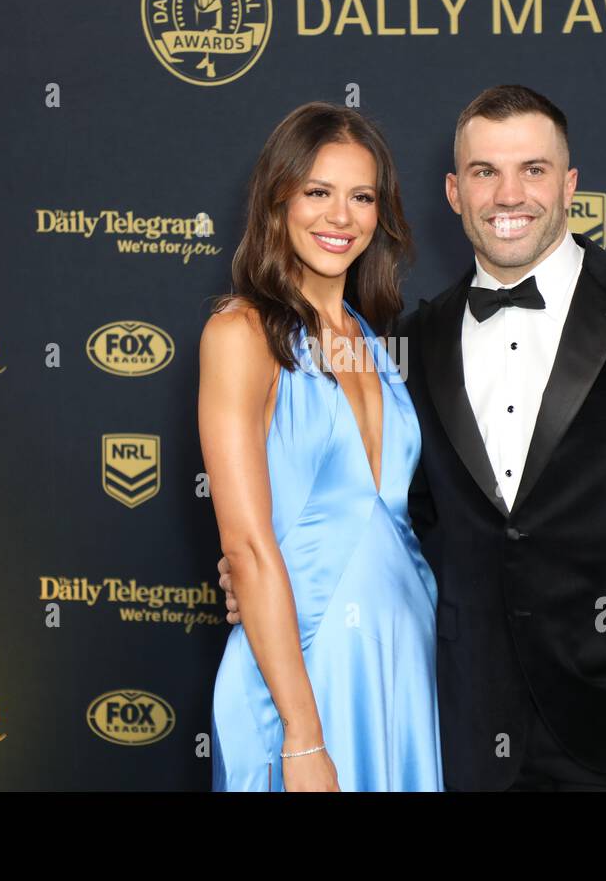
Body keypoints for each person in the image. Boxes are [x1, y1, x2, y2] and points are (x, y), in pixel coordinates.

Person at [220, 84, 606, 791]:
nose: (508, 194)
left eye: (534, 170)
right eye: (485, 172)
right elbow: (406, 518)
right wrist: (273, 577)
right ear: (455, 192)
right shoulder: (410, 342)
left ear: (570, 184)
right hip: (450, 731)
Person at [199, 101, 442, 791]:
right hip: (298, 670)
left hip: (400, 662)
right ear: (278, 200)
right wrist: (304, 742)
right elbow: (246, 547)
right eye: (317, 192)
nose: (341, 217)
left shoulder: (378, 342)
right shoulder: (241, 335)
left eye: (361, 196)